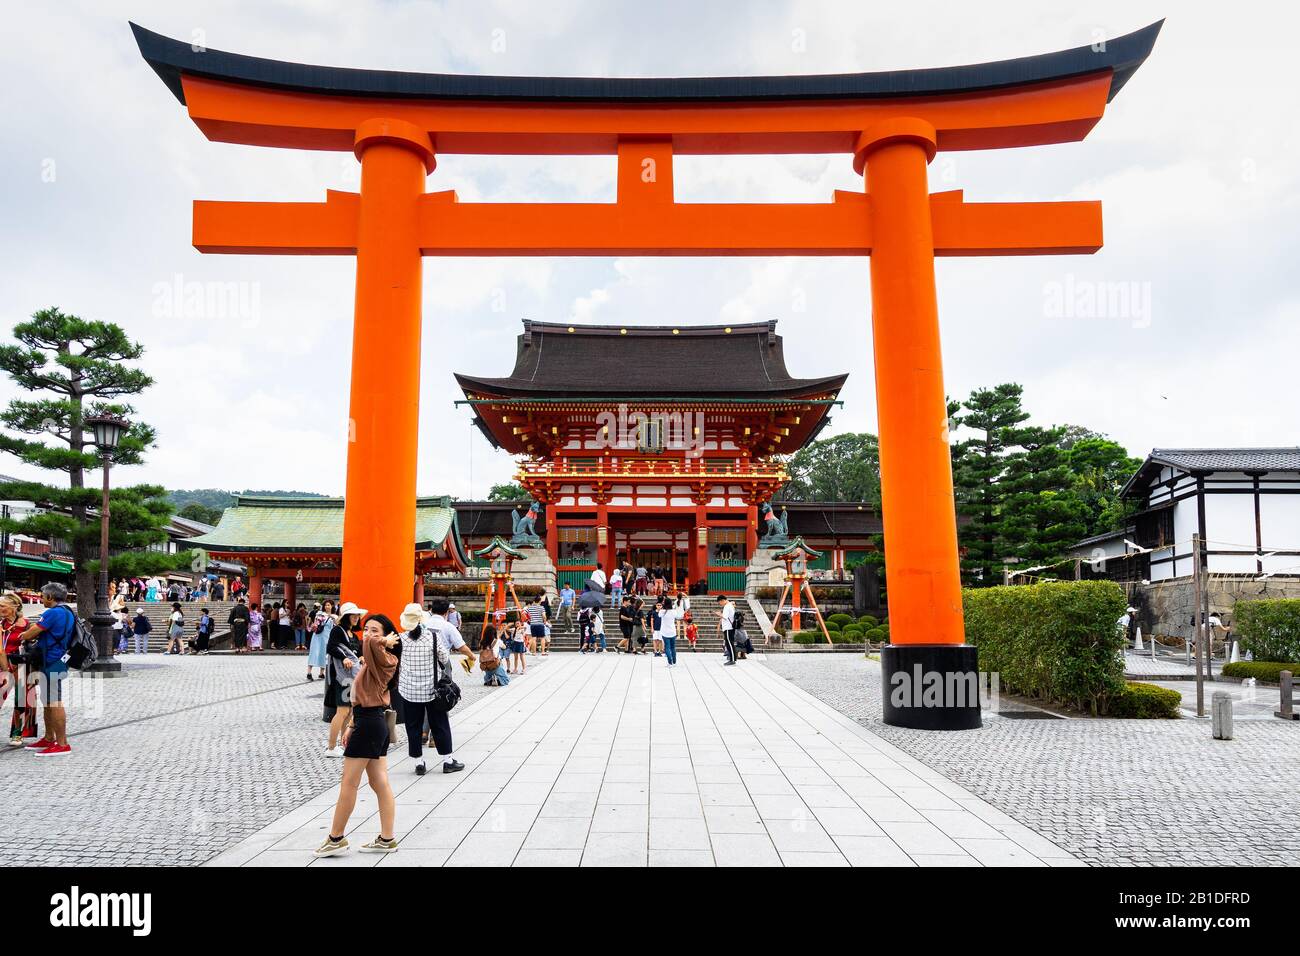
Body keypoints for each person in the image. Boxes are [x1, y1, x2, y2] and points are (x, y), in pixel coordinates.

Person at [315, 612, 401, 857]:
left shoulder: (384, 656)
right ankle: (387, 839)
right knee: (379, 782)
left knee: (349, 784)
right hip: (369, 721)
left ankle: (336, 838)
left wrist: (380, 641)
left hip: (371, 724)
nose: (370, 634)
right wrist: (352, 723)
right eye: (368, 629)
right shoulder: (378, 655)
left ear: (387, 636)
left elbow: (367, 643)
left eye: (377, 630)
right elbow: (364, 694)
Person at [15, 582, 77, 756]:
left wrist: (24, 635)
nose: (42, 598)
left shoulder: (52, 612)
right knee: (48, 701)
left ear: (50, 597)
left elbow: (32, 632)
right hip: (56, 660)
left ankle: (62, 743)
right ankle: (49, 738)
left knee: (54, 702)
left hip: (51, 661)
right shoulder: (67, 612)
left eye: (43, 596)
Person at [324, 602, 365, 758]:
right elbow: (331, 647)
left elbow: (358, 651)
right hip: (342, 677)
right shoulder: (337, 631)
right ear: (346, 617)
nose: (356, 617)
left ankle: (343, 743)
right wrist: (344, 657)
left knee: (348, 712)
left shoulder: (353, 635)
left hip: (352, 677)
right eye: (353, 615)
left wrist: (360, 657)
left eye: (357, 615)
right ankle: (331, 746)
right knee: (342, 711)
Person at [0, 592, 38, 747]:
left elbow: (34, 649)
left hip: (22, 666)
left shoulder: (28, 625)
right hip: (2, 665)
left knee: (22, 701)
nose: (0, 608)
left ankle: (18, 733)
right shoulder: (1, 625)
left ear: (14, 607)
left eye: (3, 606)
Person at [307, 600, 333, 681]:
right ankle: (309, 672)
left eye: (328, 605)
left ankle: (321, 673)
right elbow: (316, 623)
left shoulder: (334, 616)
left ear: (332, 606)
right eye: (325, 605)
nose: (327, 606)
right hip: (318, 635)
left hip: (327, 636)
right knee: (314, 652)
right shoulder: (320, 613)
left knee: (324, 653)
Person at [658, 595, 681, 666]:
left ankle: (669, 662)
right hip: (672, 631)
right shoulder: (673, 611)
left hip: (665, 631)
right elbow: (677, 616)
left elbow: (659, 615)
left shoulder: (662, 611)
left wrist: (662, 607)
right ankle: (674, 662)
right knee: (673, 647)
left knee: (667, 647)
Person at [717, 594, 737, 666]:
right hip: (730, 627)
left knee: (729, 643)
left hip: (728, 628)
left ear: (722, 600)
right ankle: (732, 658)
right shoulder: (730, 605)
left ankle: (732, 659)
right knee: (729, 643)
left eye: (720, 603)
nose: (720, 604)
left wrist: (719, 614)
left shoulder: (727, 606)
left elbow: (725, 617)